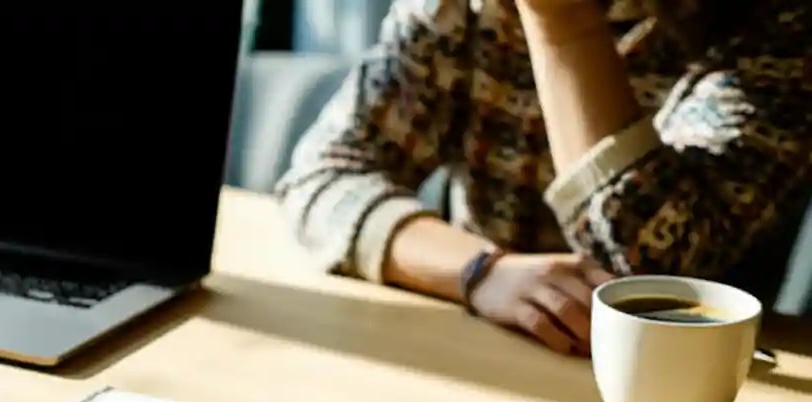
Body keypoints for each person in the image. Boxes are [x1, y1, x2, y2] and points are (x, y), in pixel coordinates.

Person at [276, 0, 810, 355]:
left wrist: (563, 22)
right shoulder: (464, 10)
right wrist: (483, 273)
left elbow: (652, 283)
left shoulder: (774, 25)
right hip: (486, 356)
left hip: (698, 400)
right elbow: (323, 175)